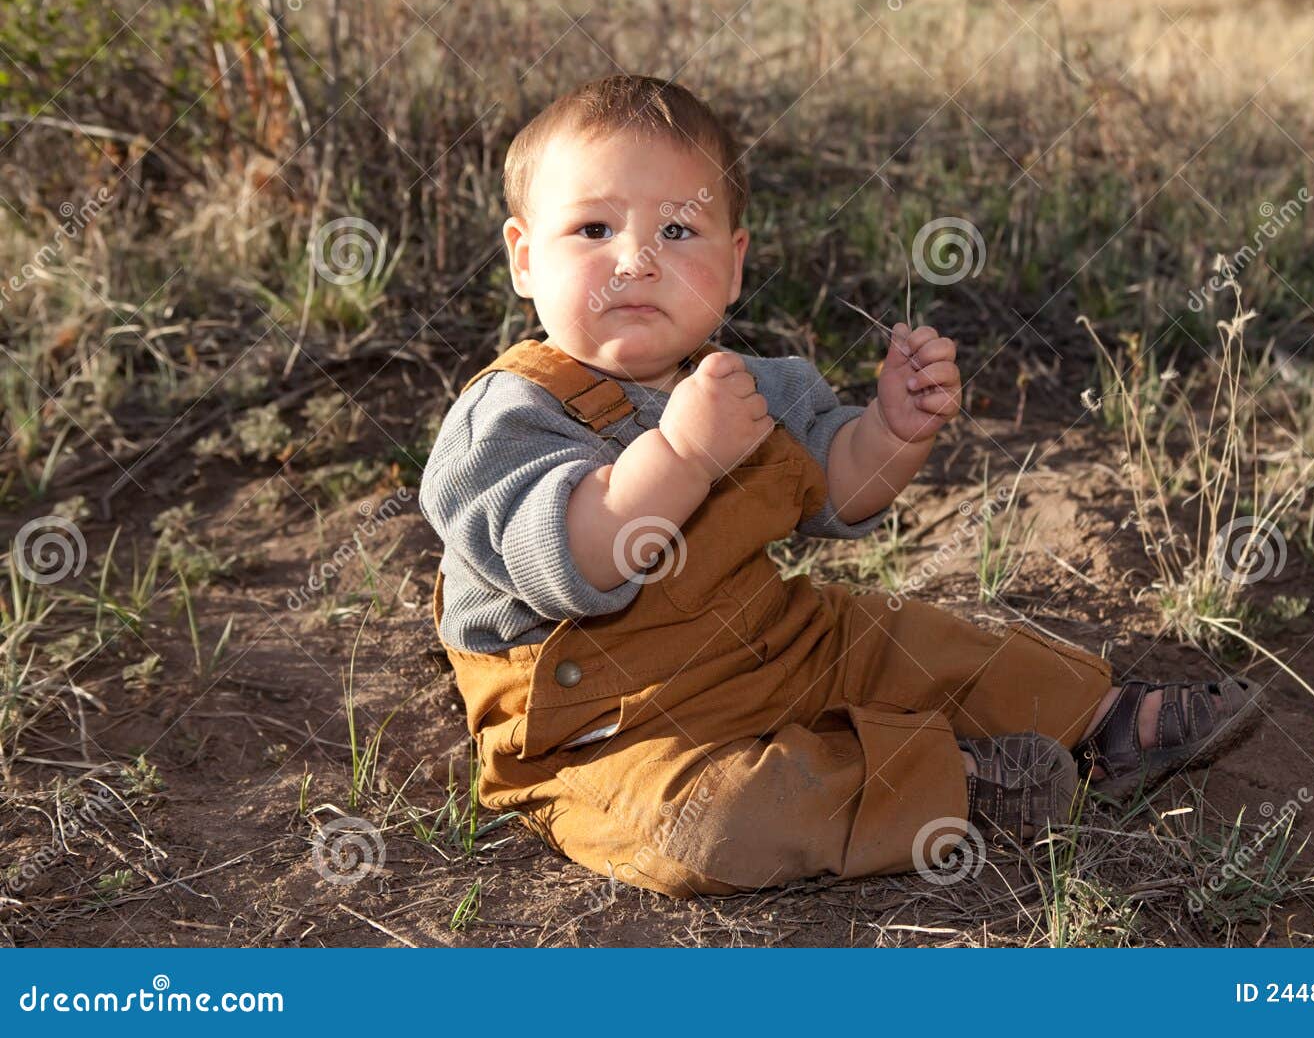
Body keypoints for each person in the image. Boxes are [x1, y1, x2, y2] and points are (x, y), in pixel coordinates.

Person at [418, 73, 1262, 898]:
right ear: (525, 258)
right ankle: (955, 781)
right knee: (712, 827)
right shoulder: (505, 416)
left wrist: (891, 433)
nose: (635, 260)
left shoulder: (754, 386)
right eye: (594, 227)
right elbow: (576, 559)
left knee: (918, 642)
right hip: (606, 733)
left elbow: (842, 492)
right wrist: (682, 456)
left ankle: (1106, 718)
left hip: (775, 645)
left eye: (678, 232)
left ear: (735, 263)